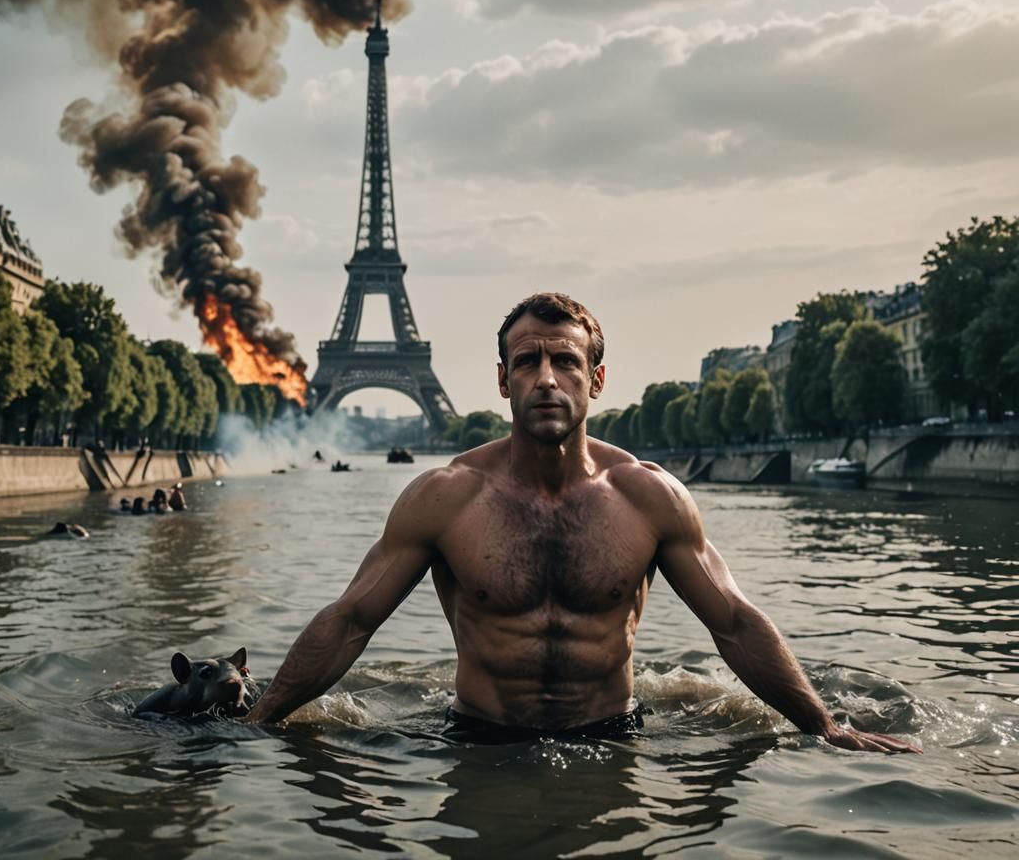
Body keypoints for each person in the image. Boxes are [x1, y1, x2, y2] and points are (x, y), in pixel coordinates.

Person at [246, 293, 918, 753]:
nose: (546, 378)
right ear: (502, 380)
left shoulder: (651, 495)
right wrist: (257, 720)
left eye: (565, 360)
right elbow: (352, 620)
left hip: (616, 737)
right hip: (480, 742)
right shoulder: (444, 496)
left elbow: (734, 622)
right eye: (527, 361)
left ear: (596, 380)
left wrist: (825, 726)